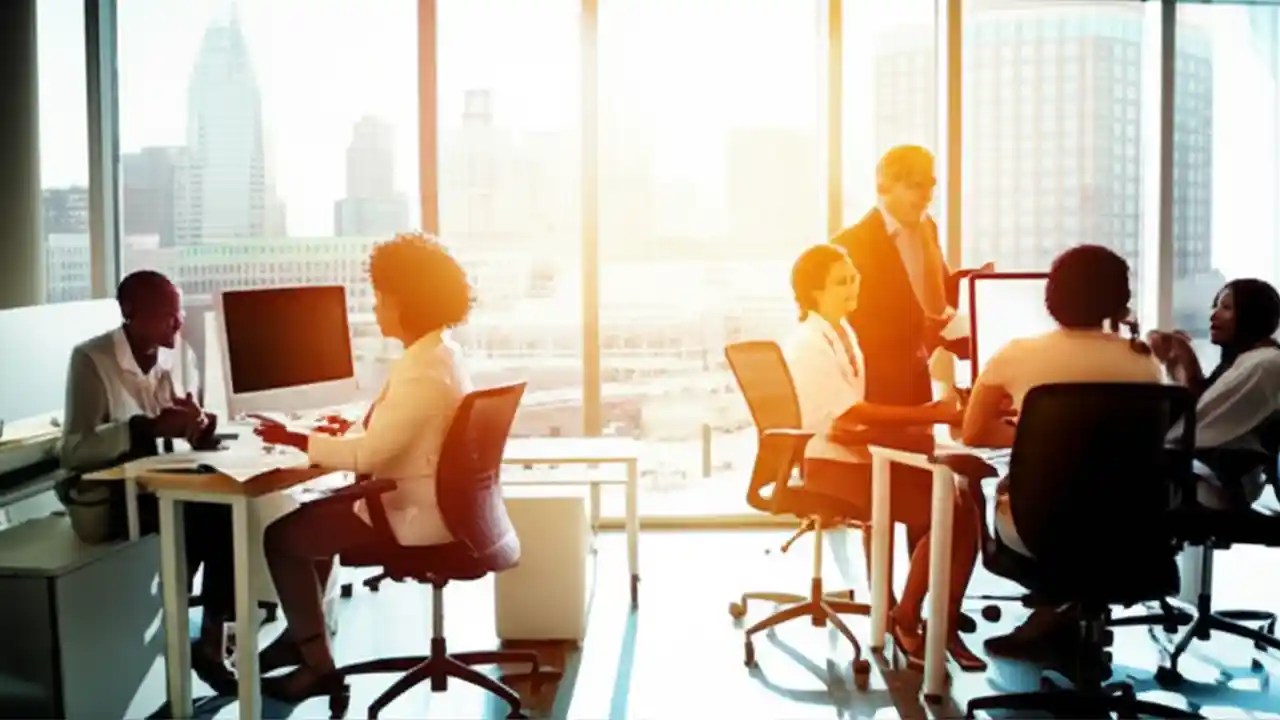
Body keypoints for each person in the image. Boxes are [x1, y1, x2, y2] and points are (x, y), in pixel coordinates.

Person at [251, 232, 474, 702]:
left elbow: (369, 457)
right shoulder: (441, 354)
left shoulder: (421, 369)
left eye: (381, 296)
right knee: (320, 514)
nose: (375, 307)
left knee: (281, 538)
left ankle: (316, 666)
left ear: (407, 302)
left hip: (409, 514)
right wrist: (348, 428)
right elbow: (401, 432)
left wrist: (293, 438)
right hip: (430, 502)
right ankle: (305, 637)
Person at [785, 243, 985, 672]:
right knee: (949, 507)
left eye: (854, 276)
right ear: (814, 292)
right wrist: (927, 415)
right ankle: (907, 616)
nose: (854, 285)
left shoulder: (844, 332)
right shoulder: (809, 343)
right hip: (830, 467)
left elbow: (852, 420)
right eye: (842, 281)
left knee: (962, 504)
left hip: (853, 455)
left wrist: (919, 426)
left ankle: (928, 618)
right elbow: (848, 414)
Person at [959, 245, 1163, 658]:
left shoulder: (1016, 354)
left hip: (1037, 528)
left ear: (1051, 296)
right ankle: (1061, 618)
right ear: (1118, 299)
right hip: (1127, 529)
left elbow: (974, 431)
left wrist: (1033, 433)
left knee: (966, 485)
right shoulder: (1145, 365)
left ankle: (1054, 615)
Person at [59, 269, 236, 691]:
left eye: (178, 314)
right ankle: (179, 630)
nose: (178, 323)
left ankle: (210, 641)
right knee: (206, 522)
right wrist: (148, 428)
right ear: (130, 312)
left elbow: (184, 425)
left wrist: (200, 424)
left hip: (164, 487)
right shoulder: (91, 360)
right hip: (112, 497)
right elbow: (74, 450)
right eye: (167, 315)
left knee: (225, 514)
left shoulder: (176, 357)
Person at [1149, 278, 1280, 510]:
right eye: (1216, 305)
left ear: (1252, 314)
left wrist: (1185, 361)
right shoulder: (1248, 360)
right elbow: (1206, 412)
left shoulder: (1264, 364)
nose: (1213, 315)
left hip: (1224, 480)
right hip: (1210, 471)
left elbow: (1197, 425)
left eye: (1226, 307)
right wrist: (1182, 363)